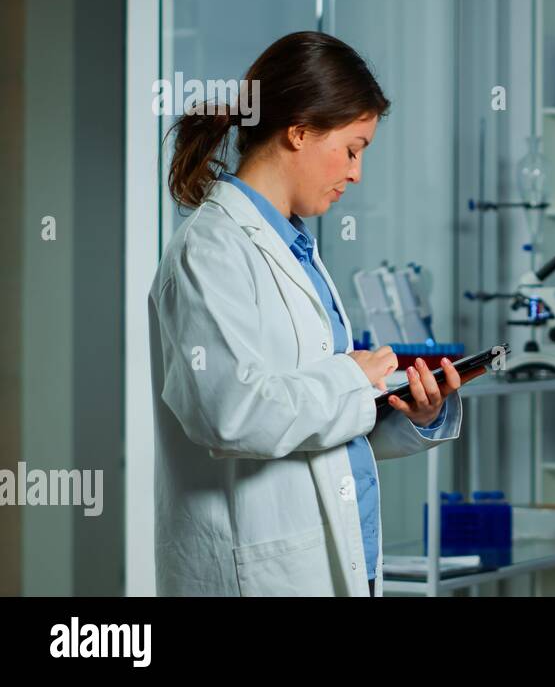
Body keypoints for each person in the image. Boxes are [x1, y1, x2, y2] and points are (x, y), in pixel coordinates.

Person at [148, 31, 483, 597]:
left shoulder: (295, 248)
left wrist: (411, 412)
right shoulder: (210, 249)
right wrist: (353, 377)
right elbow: (228, 416)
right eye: (352, 149)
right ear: (299, 131)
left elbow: (316, 427)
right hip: (256, 572)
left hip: (336, 559)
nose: (356, 173)